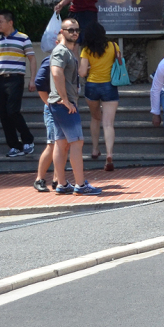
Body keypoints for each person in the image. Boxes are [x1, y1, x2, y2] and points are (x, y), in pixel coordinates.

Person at [47, 18, 102, 195]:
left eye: (77, 30)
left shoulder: (68, 52)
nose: (74, 33)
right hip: (64, 105)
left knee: (61, 143)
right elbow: (56, 73)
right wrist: (65, 99)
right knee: (76, 143)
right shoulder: (61, 52)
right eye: (70, 30)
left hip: (60, 104)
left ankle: (62, 184)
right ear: (61, 32)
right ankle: (80, 184)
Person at [0, 10, 36, 158]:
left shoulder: (23, 38)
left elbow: (32, 59)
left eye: (0, 21)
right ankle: (14, 145)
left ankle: (28, 139)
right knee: (3, 114)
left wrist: (32, 79)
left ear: (10, 22)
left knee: (13, 111)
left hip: (15, 78)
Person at [78, 21, 120, 171]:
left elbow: (82, 73)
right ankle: (109, 154)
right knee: (108, 123)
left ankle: (95, 149)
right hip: (110, 85)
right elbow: (119, 63)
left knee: (95, 118)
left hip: (92, 86)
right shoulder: (114, 46)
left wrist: (90, 67)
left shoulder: (86, 50)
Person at [32, 40, 58, 193]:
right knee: (52, 144)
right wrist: (49, 103)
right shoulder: (50, 60)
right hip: (53, 108)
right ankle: (39, 179)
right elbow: (39, 82)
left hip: (65, 108)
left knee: (62, 145)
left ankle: (57, 179)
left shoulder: (68, 58)